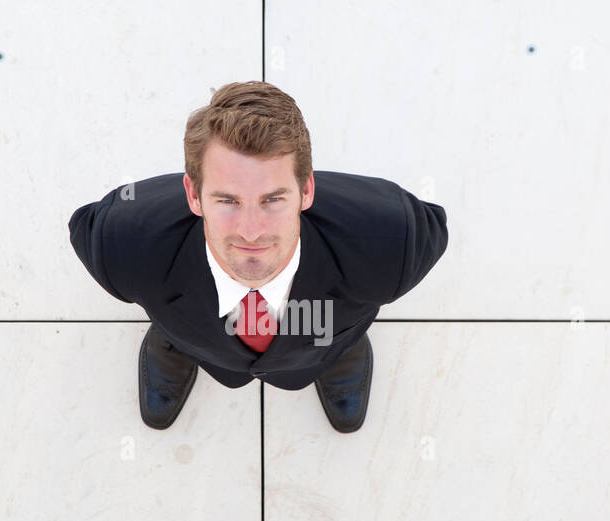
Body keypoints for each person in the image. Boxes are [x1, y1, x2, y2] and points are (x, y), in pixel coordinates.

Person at [68, 81, 448, 433]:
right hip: (188, 321)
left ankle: (338, 349)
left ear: (307, 190)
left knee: (329, 335)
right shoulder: (120, 243)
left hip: (327, 331)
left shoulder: (393, 240)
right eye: (227, 200)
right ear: (193, 195)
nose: (251, 231)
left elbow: (433, 224)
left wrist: (337, 341)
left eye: (273, 199)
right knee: (181, 324)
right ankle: (176, 340)